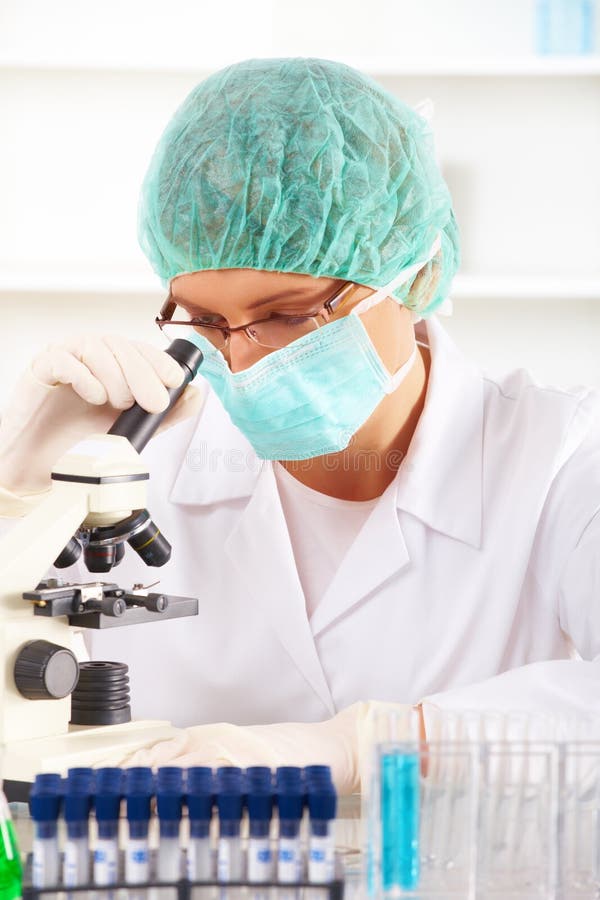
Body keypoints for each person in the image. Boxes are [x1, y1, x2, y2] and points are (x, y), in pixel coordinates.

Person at [1, 58, 599, 788]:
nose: (244, 361)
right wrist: (19, 499)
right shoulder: (134, 457)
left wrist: (371, 746)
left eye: (287, 316)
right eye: (206, 321)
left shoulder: (560, 455)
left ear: (412, 275)